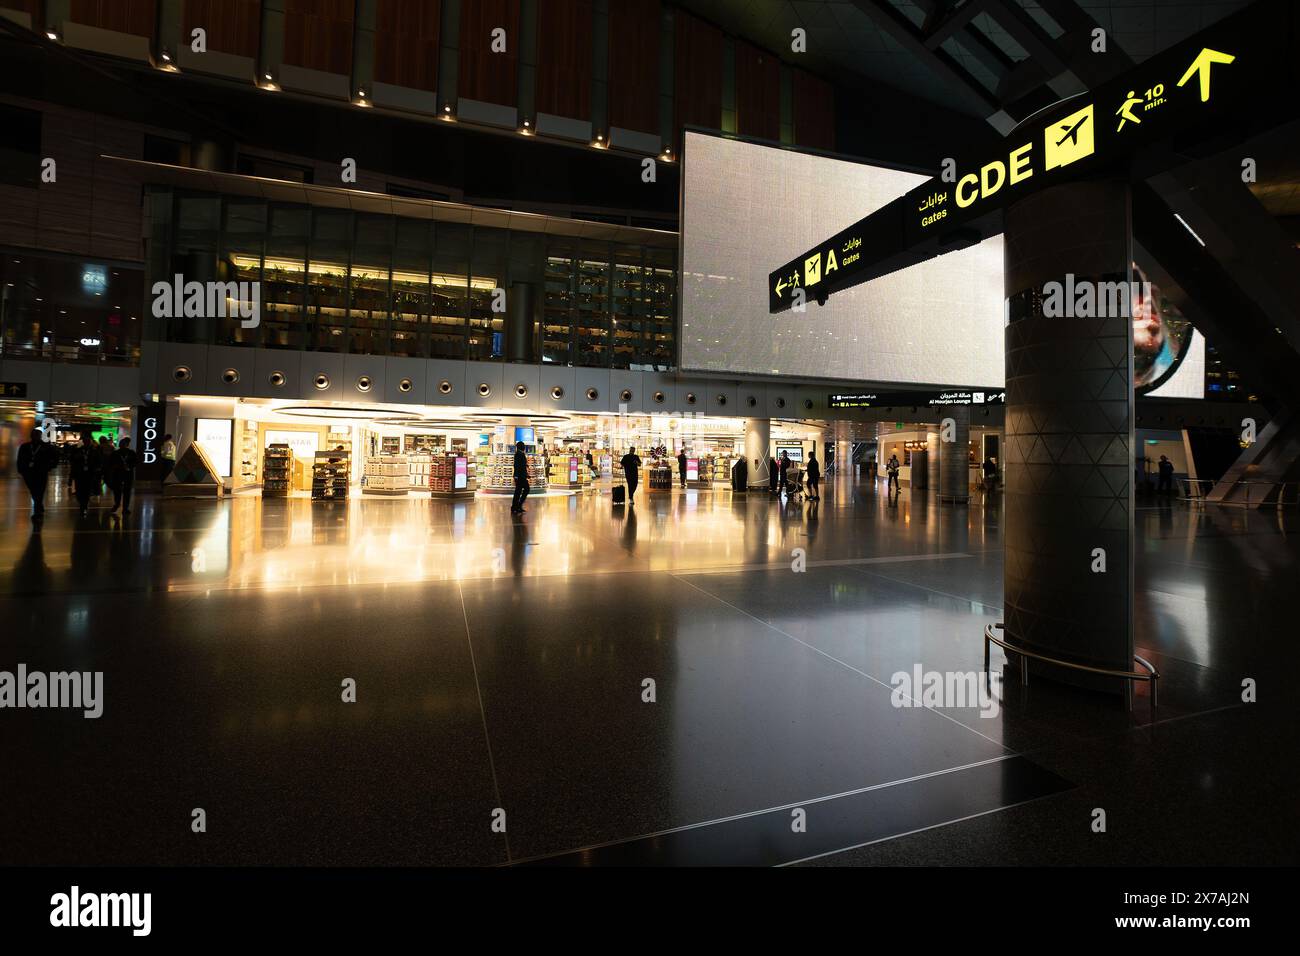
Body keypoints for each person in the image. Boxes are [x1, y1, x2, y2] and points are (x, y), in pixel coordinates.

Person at [16, 423, 57, 523]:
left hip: (41, 472)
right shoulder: (25, 447)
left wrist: (49, 467)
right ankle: (39, 504)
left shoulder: (46, 447)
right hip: (29, 473)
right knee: (33, 491)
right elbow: (20, 459)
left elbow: (55, 457)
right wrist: (21, 470)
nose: (35, 437)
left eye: (37, 435)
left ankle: (37, 511)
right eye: (34, 435)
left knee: (40, 490)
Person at [68, 433, 103, 517]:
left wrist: (97, 471)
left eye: (88, 440)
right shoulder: (78, 450)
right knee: (79, 491)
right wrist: (71, 477)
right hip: (79, 474)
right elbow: (73, 462)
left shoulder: (94, 451)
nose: (87, 442)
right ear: (83, 441)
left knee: (87, 491)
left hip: (89, 474)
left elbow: (99, 462)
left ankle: (84, 506)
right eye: (85, 440)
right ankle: (82, 504)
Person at [108, 437, 140, 514]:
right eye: (121, 444)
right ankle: (120, 506)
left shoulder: (129, 453)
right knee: (120, 491)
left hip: (125, 474)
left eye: (123, 444)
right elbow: (110, 463)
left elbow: (136, 462)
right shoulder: (116, 453)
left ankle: (122, 507)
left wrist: (129, 466)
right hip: (120, 474)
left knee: (124, 491)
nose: (122, 445)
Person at [510, 440, 530, 514]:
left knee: (518, 492)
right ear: (521, 447)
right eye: (523, 446)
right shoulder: (518, 454)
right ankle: (517, 506)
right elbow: (517, 466)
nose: (524, 447)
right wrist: (516, 476)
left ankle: (516, 506)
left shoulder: (520, 453)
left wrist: (527, 474)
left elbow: (521, 465)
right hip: (520, 476)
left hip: (522, 476)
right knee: (525, 489)